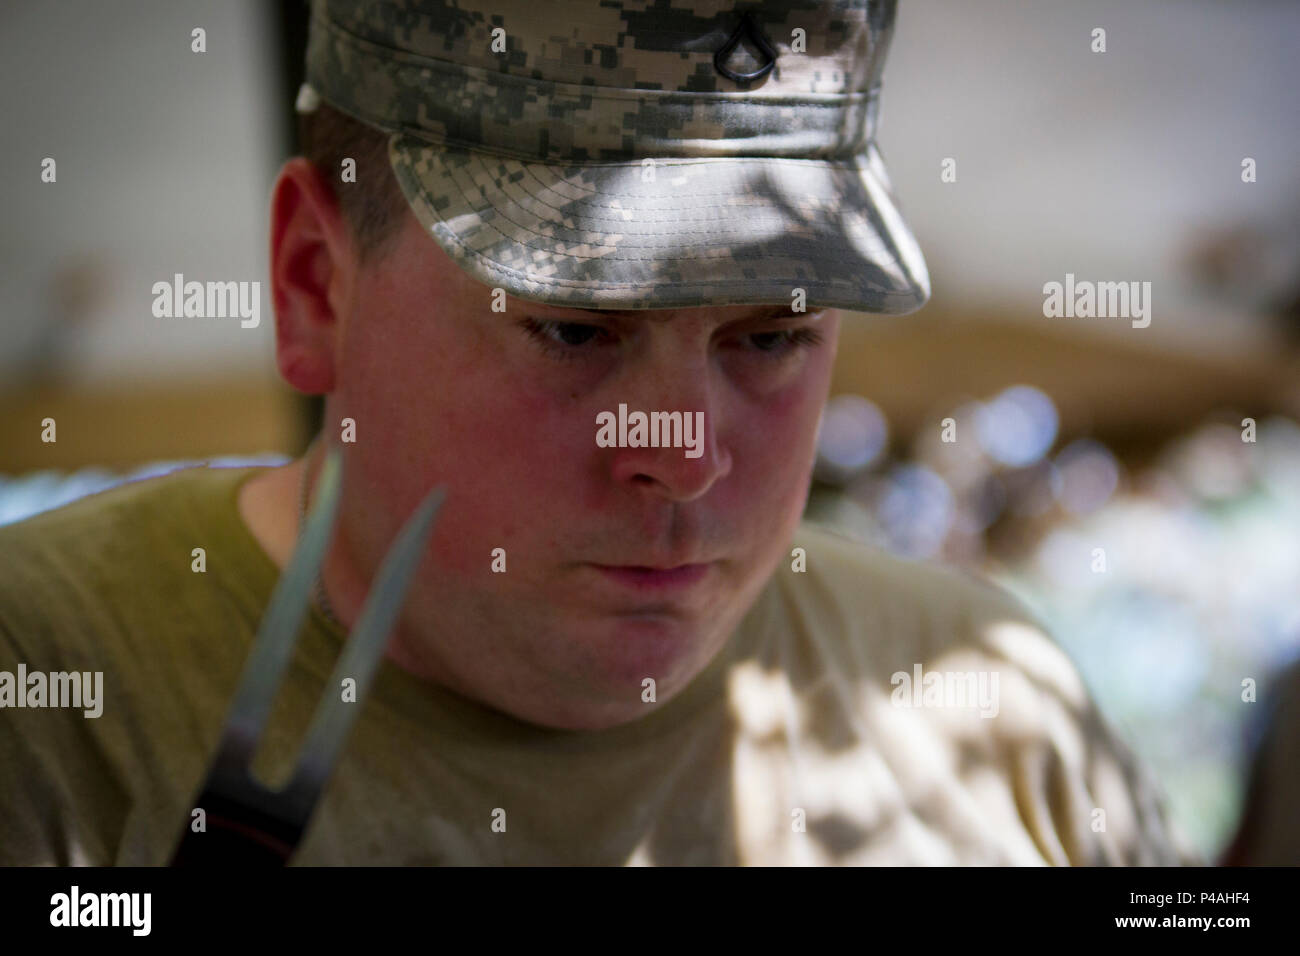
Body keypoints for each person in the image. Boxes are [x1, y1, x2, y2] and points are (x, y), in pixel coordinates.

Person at [0, 0, 1200, 865]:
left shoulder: (995, 704)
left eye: (770, 337)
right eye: (575, 330)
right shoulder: (50, 704)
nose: (683, 451)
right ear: (318, 285)